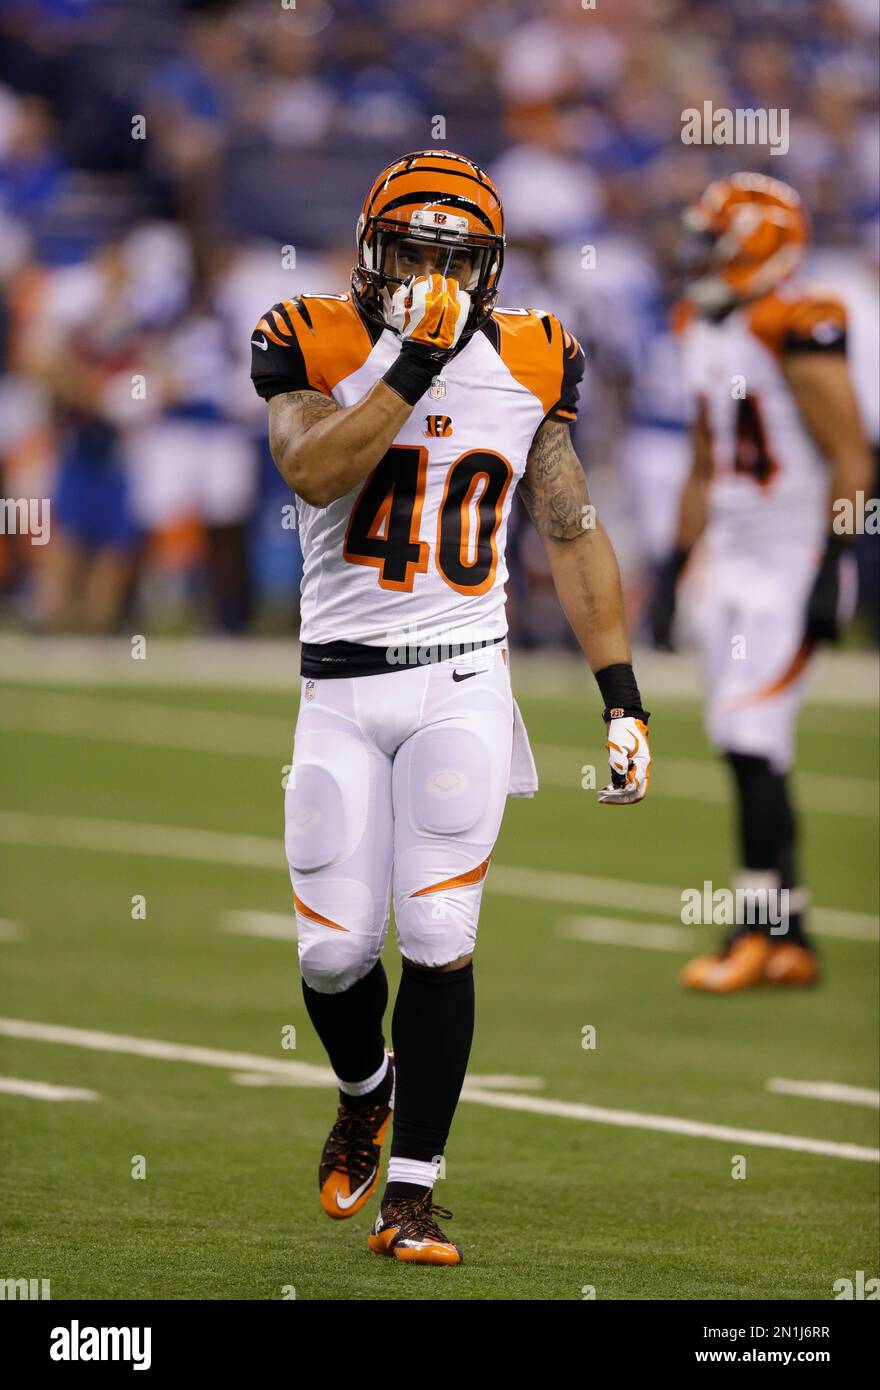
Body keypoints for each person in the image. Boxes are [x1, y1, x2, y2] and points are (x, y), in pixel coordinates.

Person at [251, 150, 651, 1265]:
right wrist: (409, 367)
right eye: (412, 250)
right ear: (371, 248)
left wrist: (621, 696)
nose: (430, 271)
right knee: (332, 959)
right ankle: (363, 1088)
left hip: (462, 676)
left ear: (489, 266)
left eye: (453, 256)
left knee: (436, 932)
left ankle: (413, 1197)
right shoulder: (310, 335)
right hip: (336, 684)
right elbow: (314, 473)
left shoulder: (533, 353)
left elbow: (568, 530)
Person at [651, 173, 872, 993]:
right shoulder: (700, 323)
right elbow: (706, 462)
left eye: (715, 240)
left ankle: (750, 930)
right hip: (731, 564)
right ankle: (792, 937)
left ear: (759, 245)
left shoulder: (798, 320)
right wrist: (676, 566)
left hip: (792, 563)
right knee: (747, 745)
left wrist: (841, 563)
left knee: (751, 740)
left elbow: (853, 453)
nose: (699, 253)